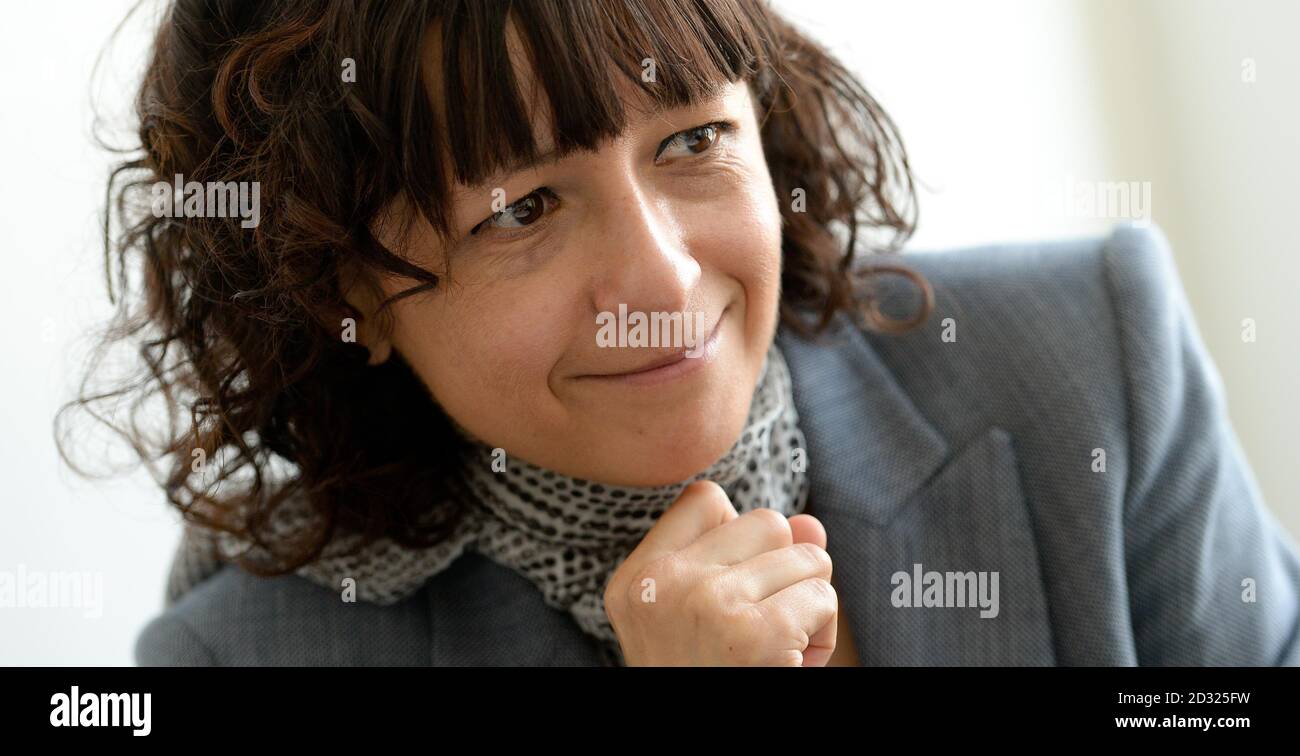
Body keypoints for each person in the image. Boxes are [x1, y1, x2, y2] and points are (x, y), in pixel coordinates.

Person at [69, 0, 1300, 666]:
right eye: (525, 208)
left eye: (693, 141)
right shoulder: (248, 657)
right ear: (350, 295)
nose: (660, 275)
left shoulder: (1091, 351)